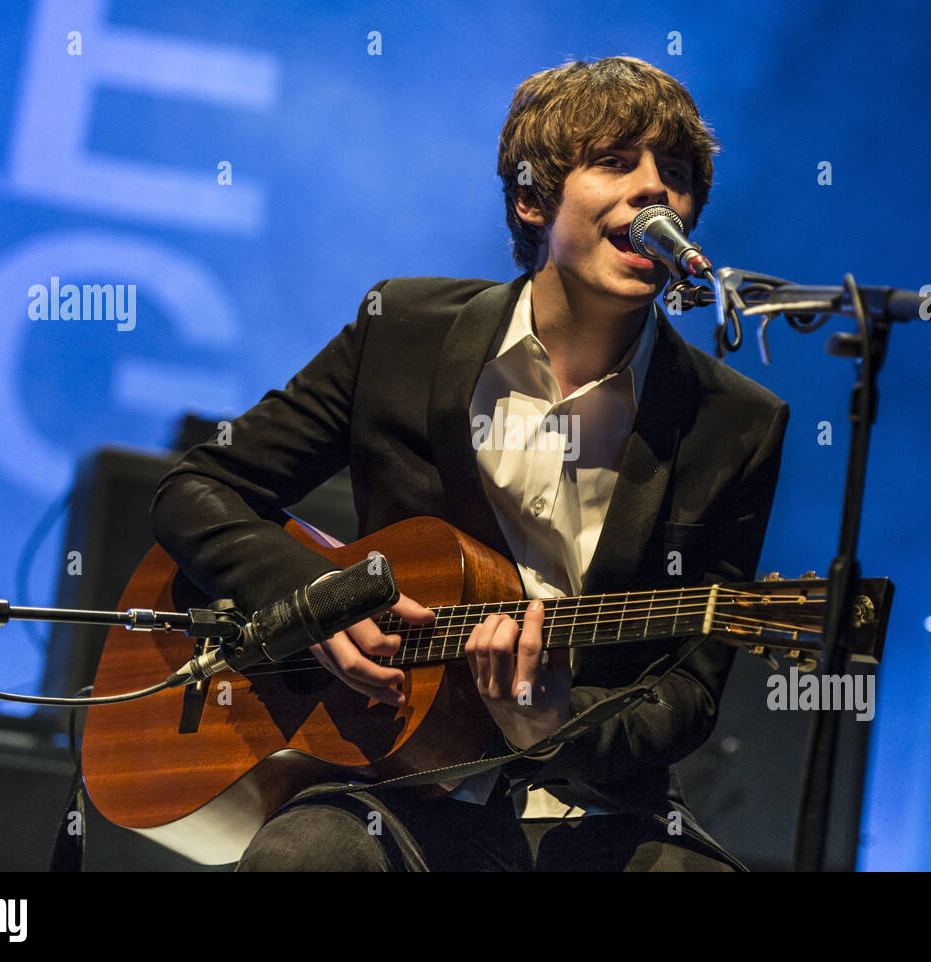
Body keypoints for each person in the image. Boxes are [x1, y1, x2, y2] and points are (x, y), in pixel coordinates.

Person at [150, 55, 789, 871]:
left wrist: (554, 724)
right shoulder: (404, 331)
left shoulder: (733, 423)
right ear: (532, 198)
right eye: (614, 162)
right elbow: (199, 486)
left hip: (594, 807)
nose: (655, 189)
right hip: (391, 786)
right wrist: (313, 605)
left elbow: (688, 694)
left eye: (675, 173)